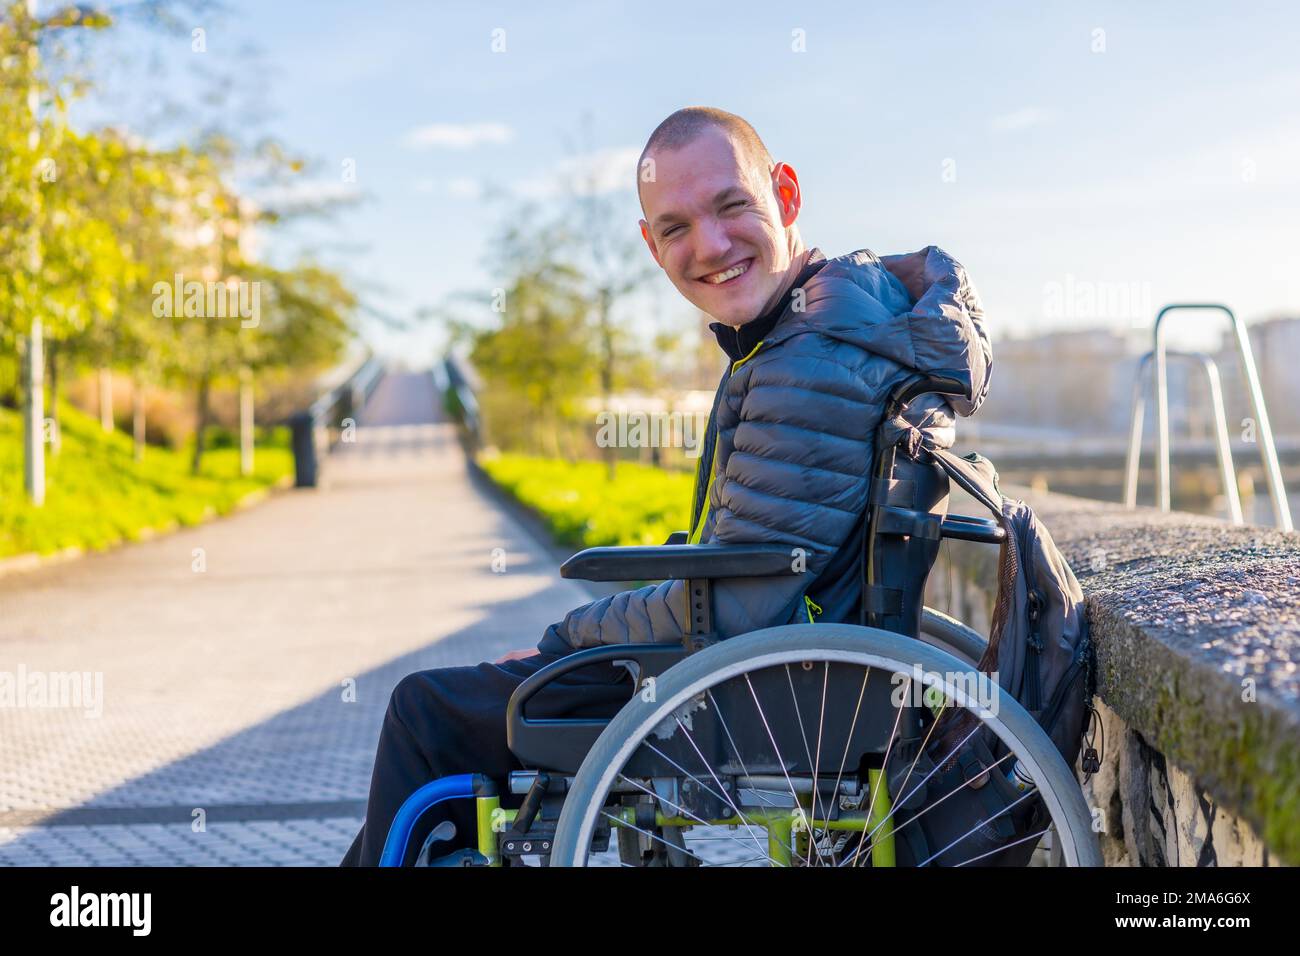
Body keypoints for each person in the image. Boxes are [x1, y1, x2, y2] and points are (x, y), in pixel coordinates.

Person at [340, 106, 991, 866]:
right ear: (651, 246)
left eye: (730, 205)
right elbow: (753, 562)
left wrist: (564, 642)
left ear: (785, 195)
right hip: (798, 672)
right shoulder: (832, 323)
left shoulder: (807, 360)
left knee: (425, 711)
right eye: (676, 228)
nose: (709, 247)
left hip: (754, 694)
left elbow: (744, 599)